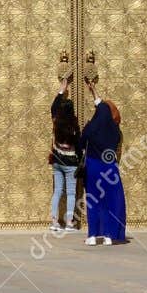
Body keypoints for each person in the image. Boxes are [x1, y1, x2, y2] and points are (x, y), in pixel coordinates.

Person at [79, 72, 126, 245]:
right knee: (109, 201)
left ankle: (92, 236)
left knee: (93, 200)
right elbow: (103, 108)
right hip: (110, 168)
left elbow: (82, 141)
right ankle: (108, 235)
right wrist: (94, 91)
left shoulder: (91, 128)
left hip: (93, 166)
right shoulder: (115, 132)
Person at [49, 71, 82, 235]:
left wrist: (63, 88)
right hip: (70, 164)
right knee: (70, 193)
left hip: (57, 161)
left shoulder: (56, 121)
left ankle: (54, 221)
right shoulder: (73, 126)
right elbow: (79, 145)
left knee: (57, 191)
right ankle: (69, 222)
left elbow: (53, 107)